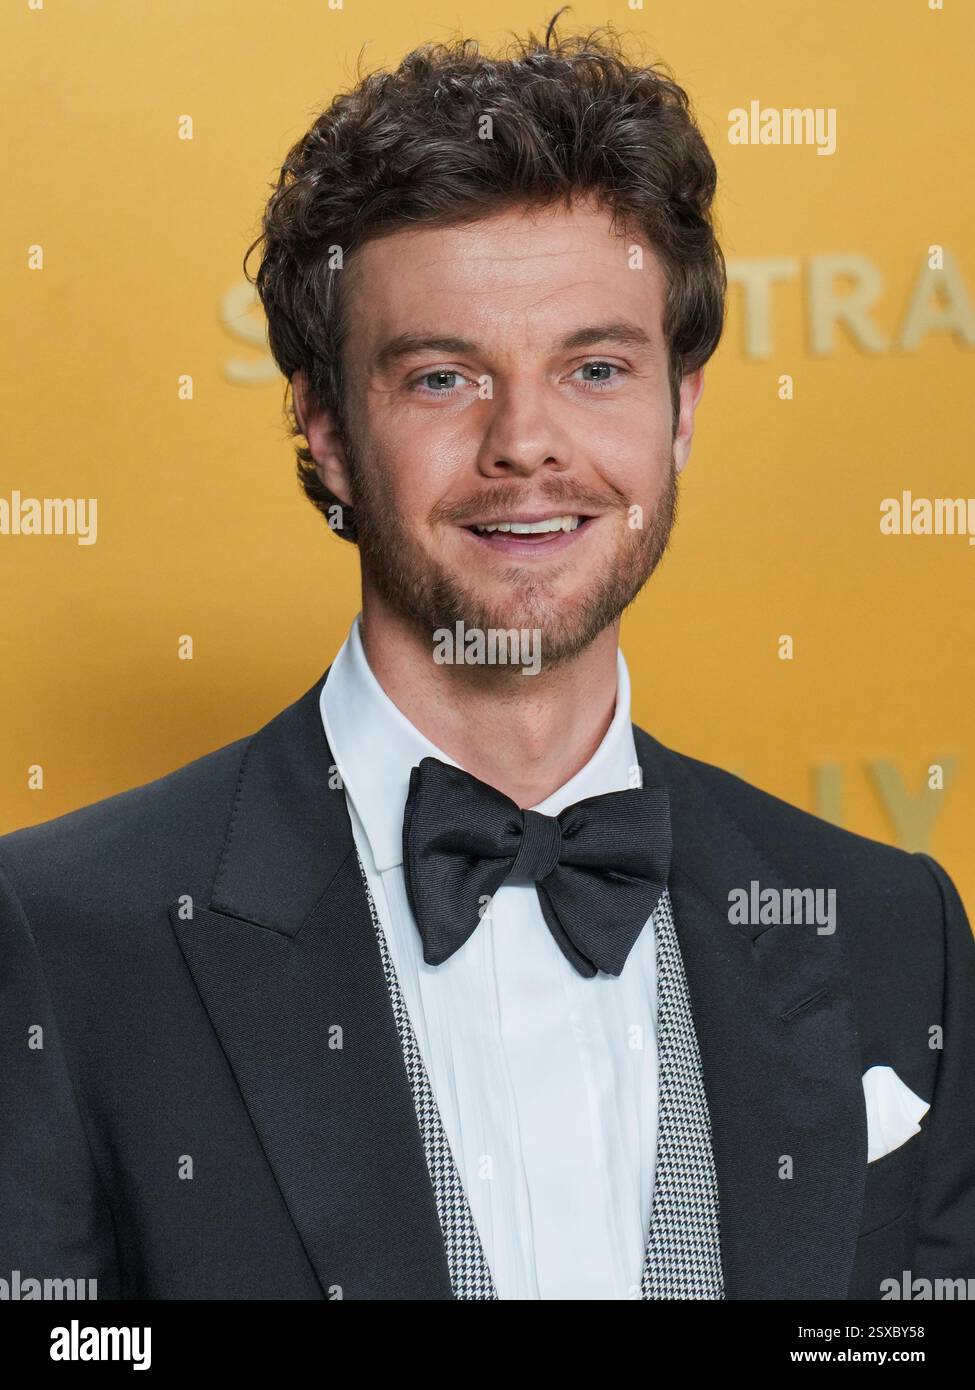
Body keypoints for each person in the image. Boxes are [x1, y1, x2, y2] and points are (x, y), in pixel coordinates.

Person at [1, 16, 973, 1301]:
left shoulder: (889, 927)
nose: (527, 442)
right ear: (327, 431)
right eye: (443, 378)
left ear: (681, 410)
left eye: (596, 367)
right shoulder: (61, 936)